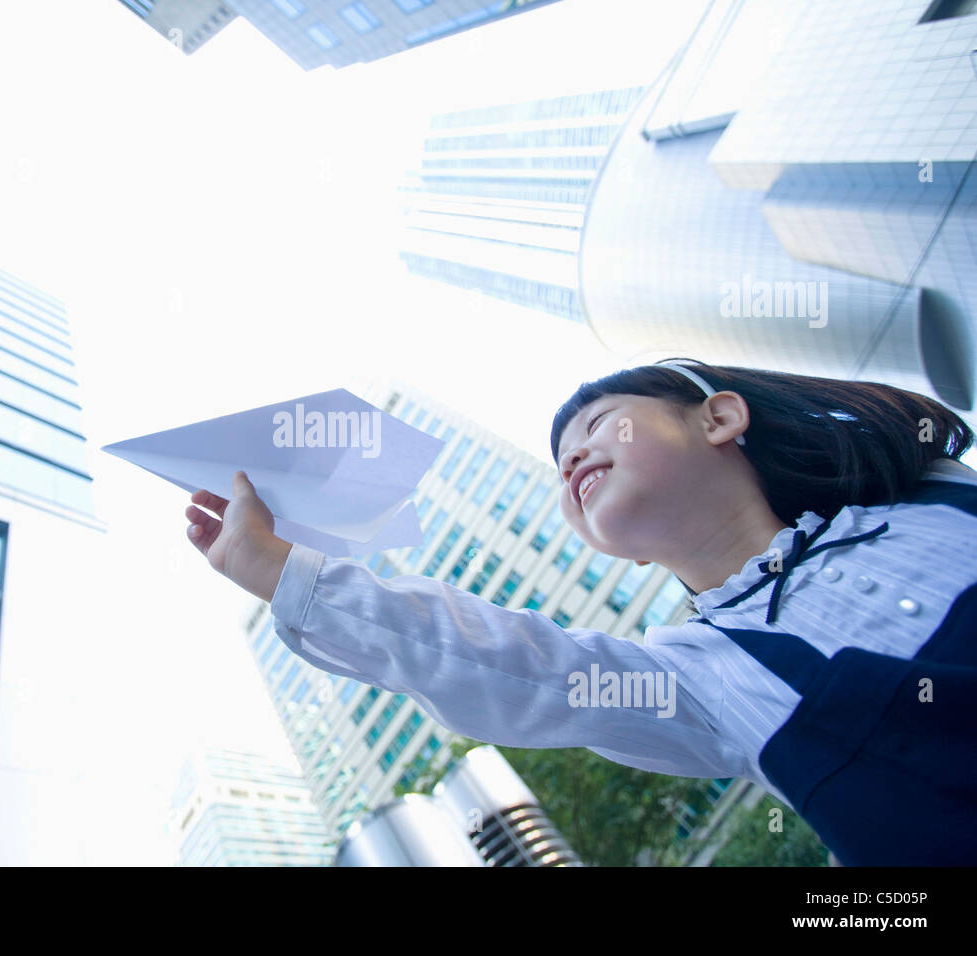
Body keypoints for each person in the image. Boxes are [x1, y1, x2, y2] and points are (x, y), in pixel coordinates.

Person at [183, 358, 977, 866]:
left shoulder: (942, 501)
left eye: (600, 427)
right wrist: (282, 571)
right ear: (618, 552)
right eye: (561, 471)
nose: (572, 463)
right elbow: (514, 667)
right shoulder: (697, 679)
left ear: (721, 419)